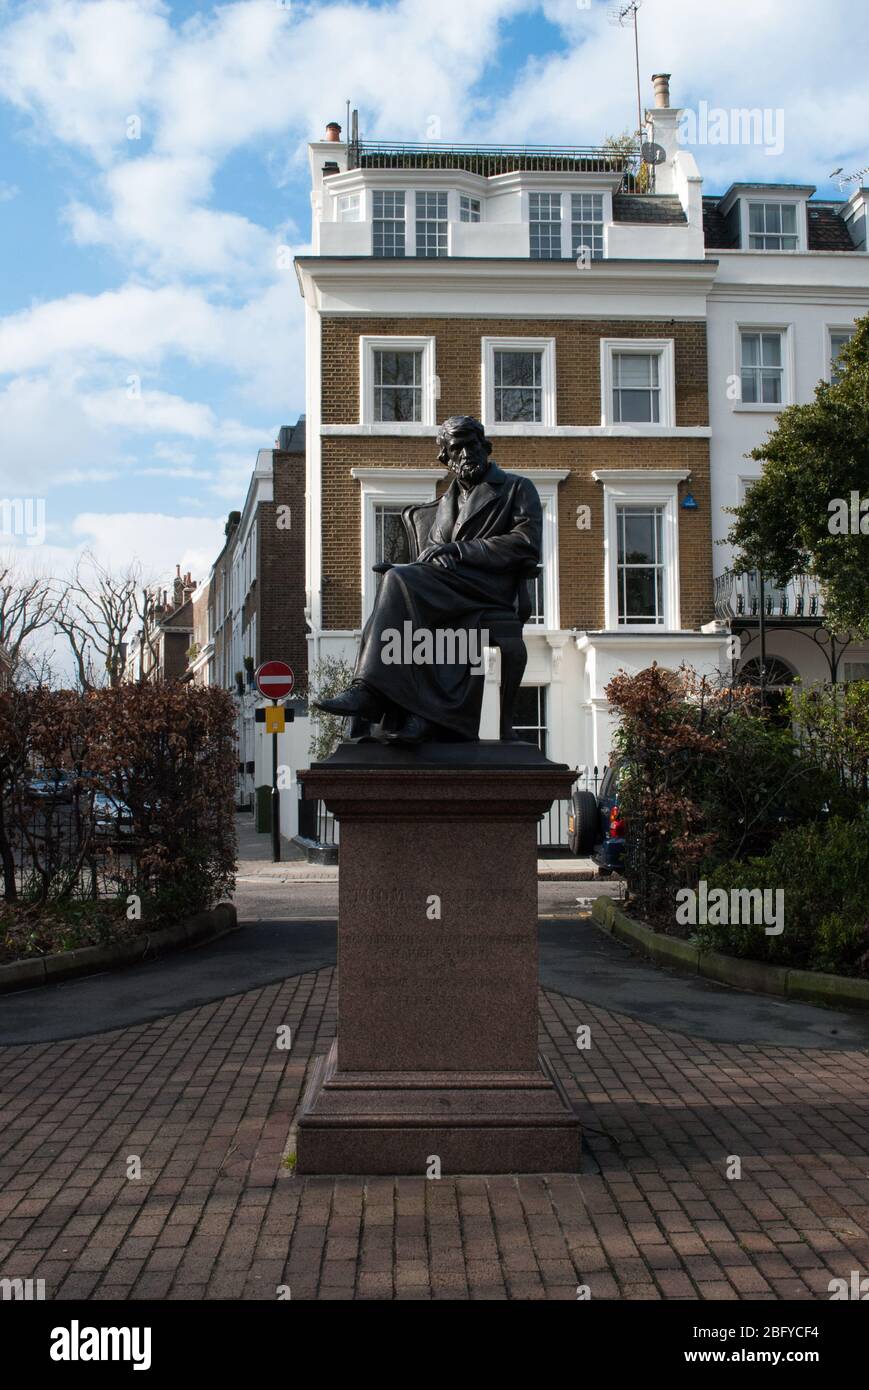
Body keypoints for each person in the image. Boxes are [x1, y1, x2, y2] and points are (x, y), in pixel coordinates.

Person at [314, 415, 542, 744]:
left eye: (472, 445)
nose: (466, 454)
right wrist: (432, 559)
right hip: (447, 587)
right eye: (457, 448)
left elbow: (525, 541)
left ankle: (369, 694)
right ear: (446, 458)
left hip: (489, 588)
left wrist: (460, 550)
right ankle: (420, 715)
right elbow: (433, 552)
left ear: (486, 447)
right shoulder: (445, 504)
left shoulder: (516, 488)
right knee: (398, 583)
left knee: (398, 582)